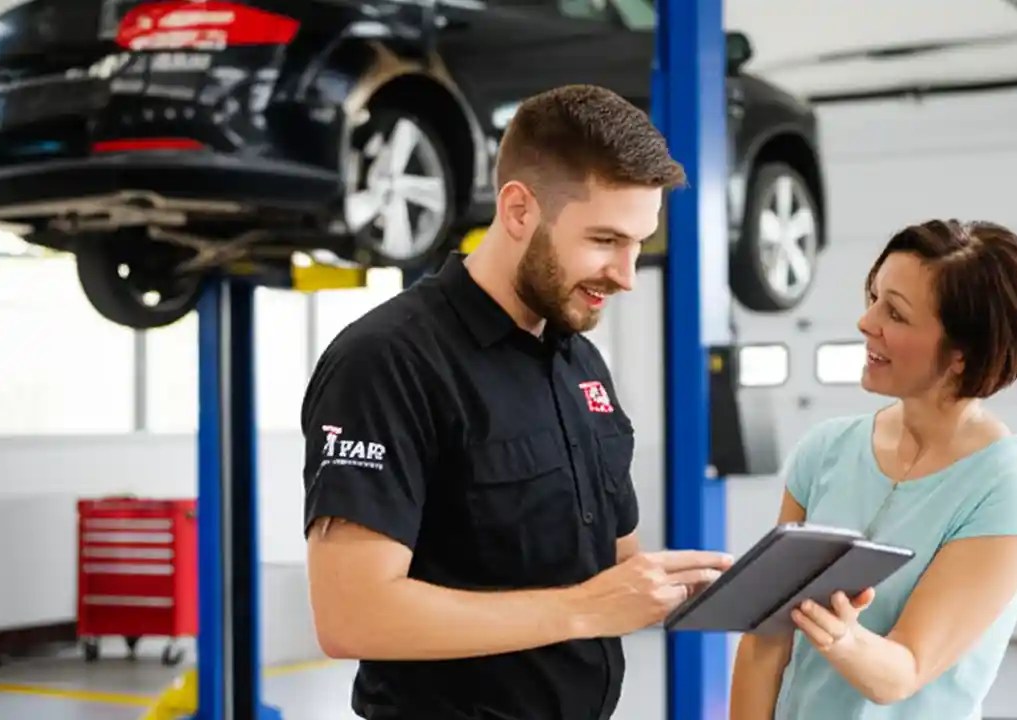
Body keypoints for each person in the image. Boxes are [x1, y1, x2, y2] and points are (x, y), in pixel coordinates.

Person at [300, 84, 733, 720]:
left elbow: (616, 569)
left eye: (639, 243)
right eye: (606, 240)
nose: (626, 273)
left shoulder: (579, 360)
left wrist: (748, 595)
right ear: (519, 209)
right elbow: (351, 616)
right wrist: (584, 609)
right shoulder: (389, 361)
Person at [729, 219, 1017, 720]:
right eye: (874, 297)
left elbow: (903, 671)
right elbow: (764, 643)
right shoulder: (825, 450)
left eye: (896, 314)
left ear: (960, 355)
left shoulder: (1008, 489)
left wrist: (839, 635)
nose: (866, 322)